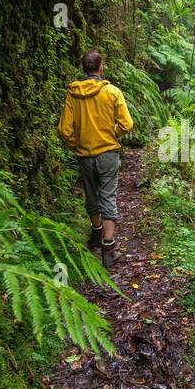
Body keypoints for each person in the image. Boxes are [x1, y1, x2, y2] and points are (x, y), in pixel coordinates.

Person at [57, 49, 133, 268]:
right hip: (108, 153)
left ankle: (96, 234)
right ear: (101, 68)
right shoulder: (112, 92)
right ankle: (108, 249)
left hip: (84, 155)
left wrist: (77, 143)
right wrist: (112, 133)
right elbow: (127, 124)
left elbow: (64, 129)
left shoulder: (73, 93)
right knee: (108, 196)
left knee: (91, 195)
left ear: (84, 69)